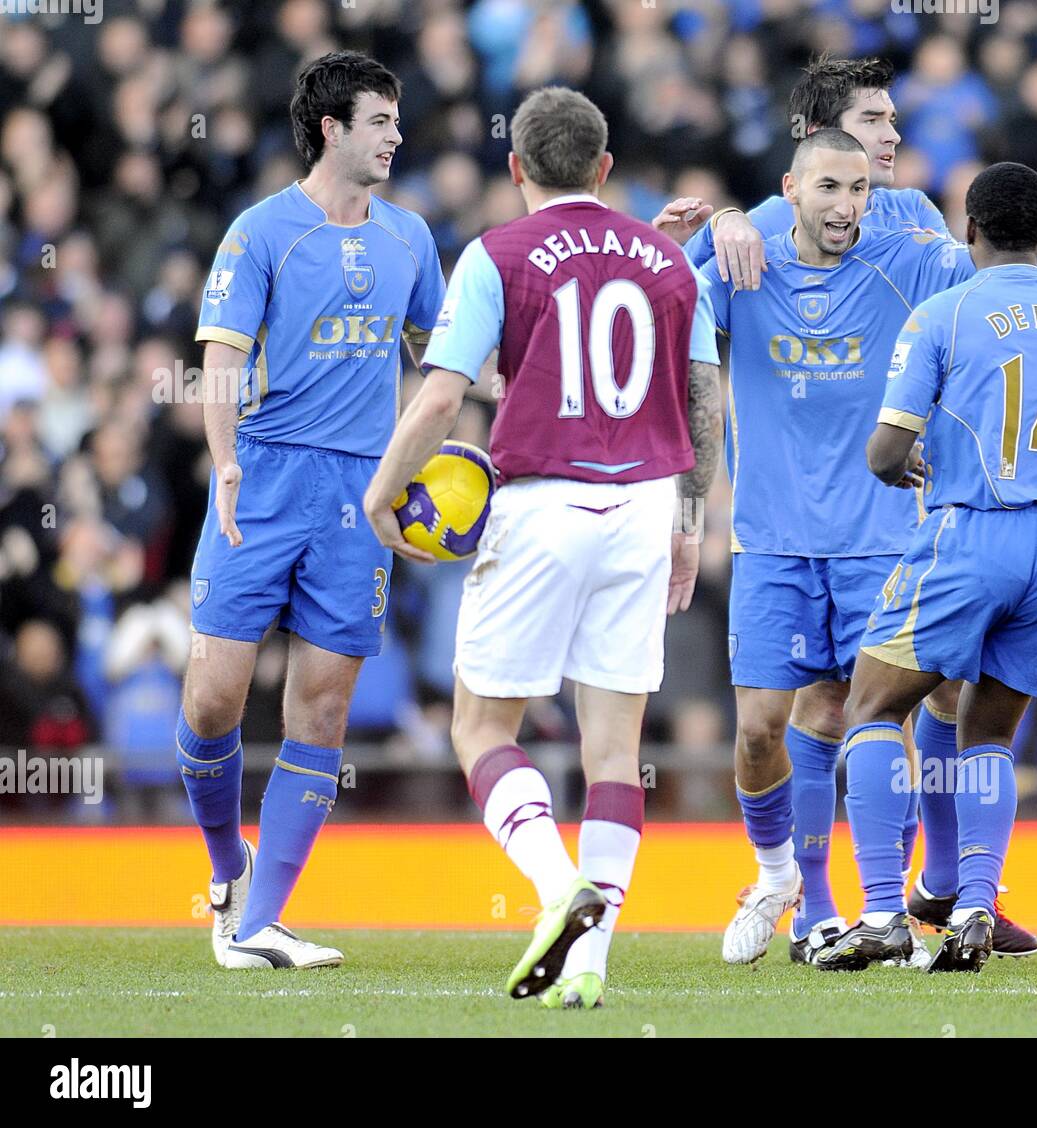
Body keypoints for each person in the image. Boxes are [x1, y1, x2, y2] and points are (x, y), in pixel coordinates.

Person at [656, 55, 1037, 962]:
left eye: (891, 125)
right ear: (816, 146)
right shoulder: (751, 238)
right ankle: (797, 882)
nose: (894, 135)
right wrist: (686, 234)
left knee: (882, 710)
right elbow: (665, 318)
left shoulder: (915, 233)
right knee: (763, 730)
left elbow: (995, 299)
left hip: (887, 530)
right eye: (874, 120)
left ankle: (908, 900)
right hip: (773, 531)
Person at [363, 86, 723, 1009]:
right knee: (615, 752)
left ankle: (555, 887)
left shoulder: (496, 253)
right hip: (644, 505)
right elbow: (702, 400)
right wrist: (689, 522)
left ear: (515, 166)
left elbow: (444, 399)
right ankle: (592, 968)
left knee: (482, 727)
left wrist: (382, 493)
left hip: (542, 497)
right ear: (604, 167)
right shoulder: (670, 264)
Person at [181, 52, 445, 969]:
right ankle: (228, 870)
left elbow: (447, 358)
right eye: (381, 121)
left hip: (357, 493)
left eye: (398, 121)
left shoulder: (411, 237)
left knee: (322, 712)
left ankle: (259, 926)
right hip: (262, 477)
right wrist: (222, 462)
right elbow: (221, 354)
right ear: (332, 128)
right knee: (213, 700)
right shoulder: (262, 232)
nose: (396, 136)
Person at [847, 162, 1037, 971]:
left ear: (969, 230)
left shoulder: (945, 312)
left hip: (971, 534)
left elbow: (885, 452)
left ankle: (879, 911)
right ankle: (972, 904)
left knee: (869, 707)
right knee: (989, 732)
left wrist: (905, 466)